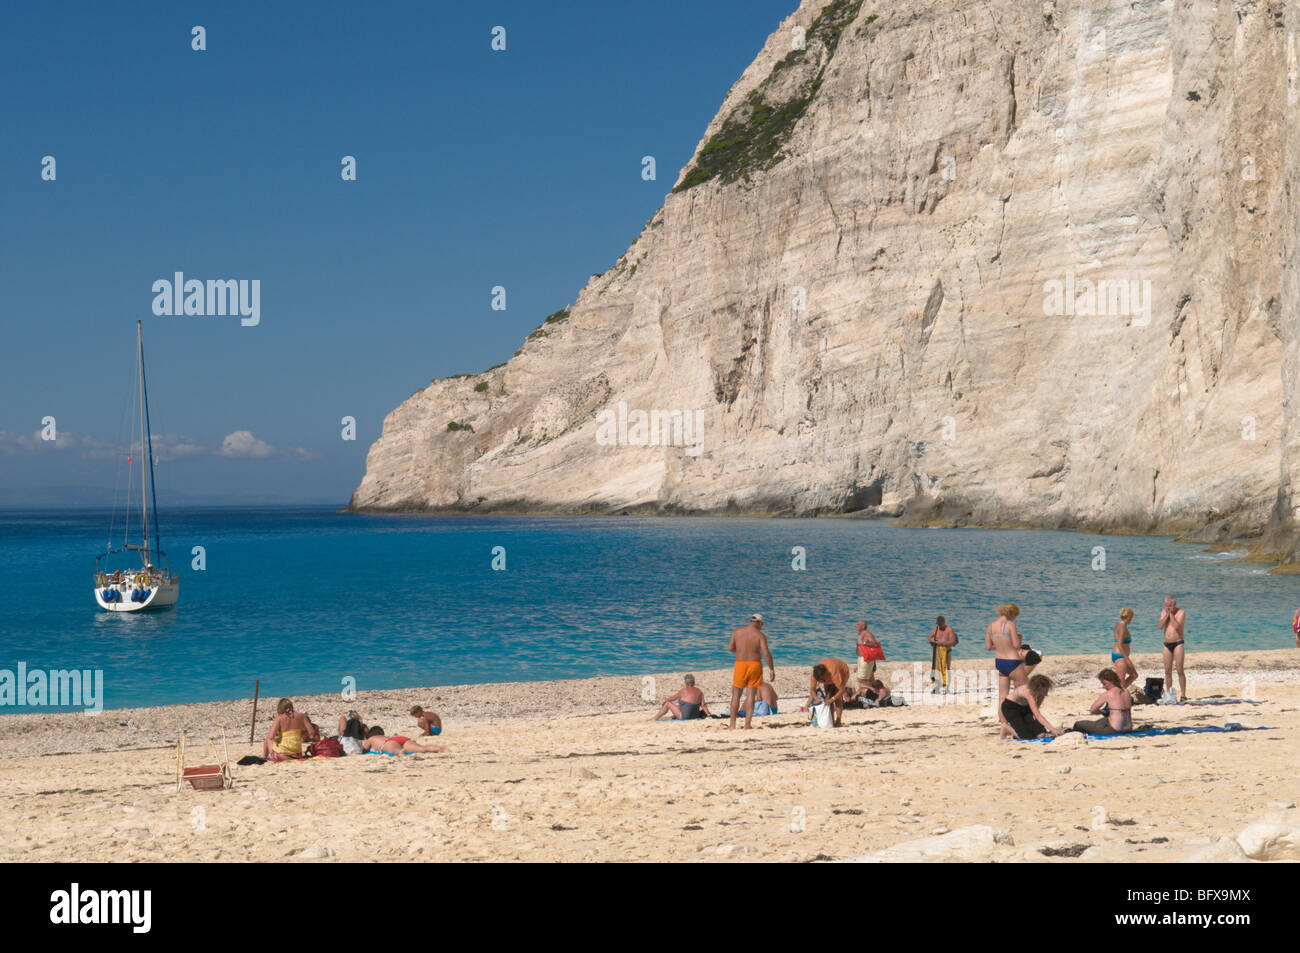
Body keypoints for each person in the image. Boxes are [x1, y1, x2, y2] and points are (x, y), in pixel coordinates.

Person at [985, 603, 1028, 733]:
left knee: (1002, 697)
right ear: (1011, 613)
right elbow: (1016, 645)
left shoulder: (991, 627)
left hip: (1000, 662)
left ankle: (1004, 725)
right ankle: (1021, 723)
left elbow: (988, 647)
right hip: (1013, 662)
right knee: (1021, 694)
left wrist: (1001, 643)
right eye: (1015, 615)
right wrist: (1019, 638)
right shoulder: (1010, 625)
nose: (1015, 618)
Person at [728, 614, 776, 729]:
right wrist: (771, 669)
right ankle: (747, 725)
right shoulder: (760, 635)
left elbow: (731, 648)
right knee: (751, 695)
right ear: (760, 623)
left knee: (736, 695)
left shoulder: (737, 632)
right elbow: (766, 653)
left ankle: (732, 725)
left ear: (750, 621)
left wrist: (741, 651)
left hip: (740, 664)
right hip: (755, 665)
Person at [1071, 670, 1134, 735]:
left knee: (1078, 724)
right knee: (1103, 721)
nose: (1103, 686)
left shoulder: (1108, 694)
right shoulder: (1126, 691)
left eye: (1104, 684)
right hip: (1128, 729)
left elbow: (1092, 710)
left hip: (1114, 730)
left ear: (1112, 681)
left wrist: (1102, 712)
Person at [999, 675, 1059, 739]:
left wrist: (1034, 721)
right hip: (1011, 707)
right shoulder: (1029, 692)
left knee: (1041, 733)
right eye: (1044, 690)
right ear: (1038, 688)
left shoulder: (1041, 693)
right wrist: (1053, 729)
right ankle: (1005, 728)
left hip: (1024, 707)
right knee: (1025, 736)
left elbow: (1036, 711)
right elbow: (1038, 715)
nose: (1046, 693)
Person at [263, 698, 320, 762]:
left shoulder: (279, 718)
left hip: (282, 755)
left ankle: (265, 757)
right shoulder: (302, 716)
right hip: (297, 755)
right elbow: (312, 733)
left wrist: (272, 752)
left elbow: (271, 737)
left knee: (268, 737)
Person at [1158, 595, 1188, 700]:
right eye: (1166, 606)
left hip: (1178, 643)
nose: (1167, 608)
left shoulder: (1181, 613)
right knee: (1167, 671)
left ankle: (1183, 694)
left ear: (1174, 605)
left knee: (1179, 669)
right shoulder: (1163, 612)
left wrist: (1171, 614)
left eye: (1170, 606)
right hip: (1167, 644)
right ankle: (1169, 693)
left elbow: (1177, 626)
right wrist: (1166, 615)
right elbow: (1160, 626)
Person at [807, 658, 851, 727]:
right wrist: (816, 698)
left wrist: (833, 699)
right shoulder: (815, 674)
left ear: (825, 674)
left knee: (837, 698)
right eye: (819, 681)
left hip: (843, 672)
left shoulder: (833, 673)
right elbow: (812, 689)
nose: (821, 682)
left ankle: (838, 721)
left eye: (822, 680)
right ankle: (832, 721)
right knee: (828, 698)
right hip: (829, 675)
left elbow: (841, 690)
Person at [363, 726, 448, 754]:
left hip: (388, 743)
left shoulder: (371, 738)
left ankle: (401, 752)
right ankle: (440, 749)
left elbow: (363, 750)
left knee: (399, 751)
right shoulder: (386, 736)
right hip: (399, 738)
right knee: (422, 748)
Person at [928, 616, 957, 694]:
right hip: (937, 652)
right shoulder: (936, 629)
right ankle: (937, 686)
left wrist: (944, 643)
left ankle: (946, 686)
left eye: (941, 624)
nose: (940, 626)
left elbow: (953, 641)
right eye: (938, 624)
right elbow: (929, 638)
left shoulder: (949, 629)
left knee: (946, 668)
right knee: (936, 669)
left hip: (947, 651)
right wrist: (935, 641)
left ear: (944, 622)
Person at [1111, 608, 1138, 689]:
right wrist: (1127, 659)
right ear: (1128, 616)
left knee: (1134, 675)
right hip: (1121, 657)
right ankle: (1116, 697)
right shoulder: (1122, 627)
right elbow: (1119, 644)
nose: (1132, 619)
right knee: (1121, 682)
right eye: (1132, 617)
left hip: (1118, 655)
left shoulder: (1118, 624)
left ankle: (1120, 694)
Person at [855, 620, 882, 685]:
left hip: (866, 660)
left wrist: (864, 643)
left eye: (858, 624)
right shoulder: (862, 634)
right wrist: (858, 664)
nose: (856, 626)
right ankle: (875, 692)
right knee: (870, 679)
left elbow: (875, 644)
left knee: (861, 679)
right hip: (862, 659)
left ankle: (874, 690)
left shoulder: (867, 634)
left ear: (863, 626)